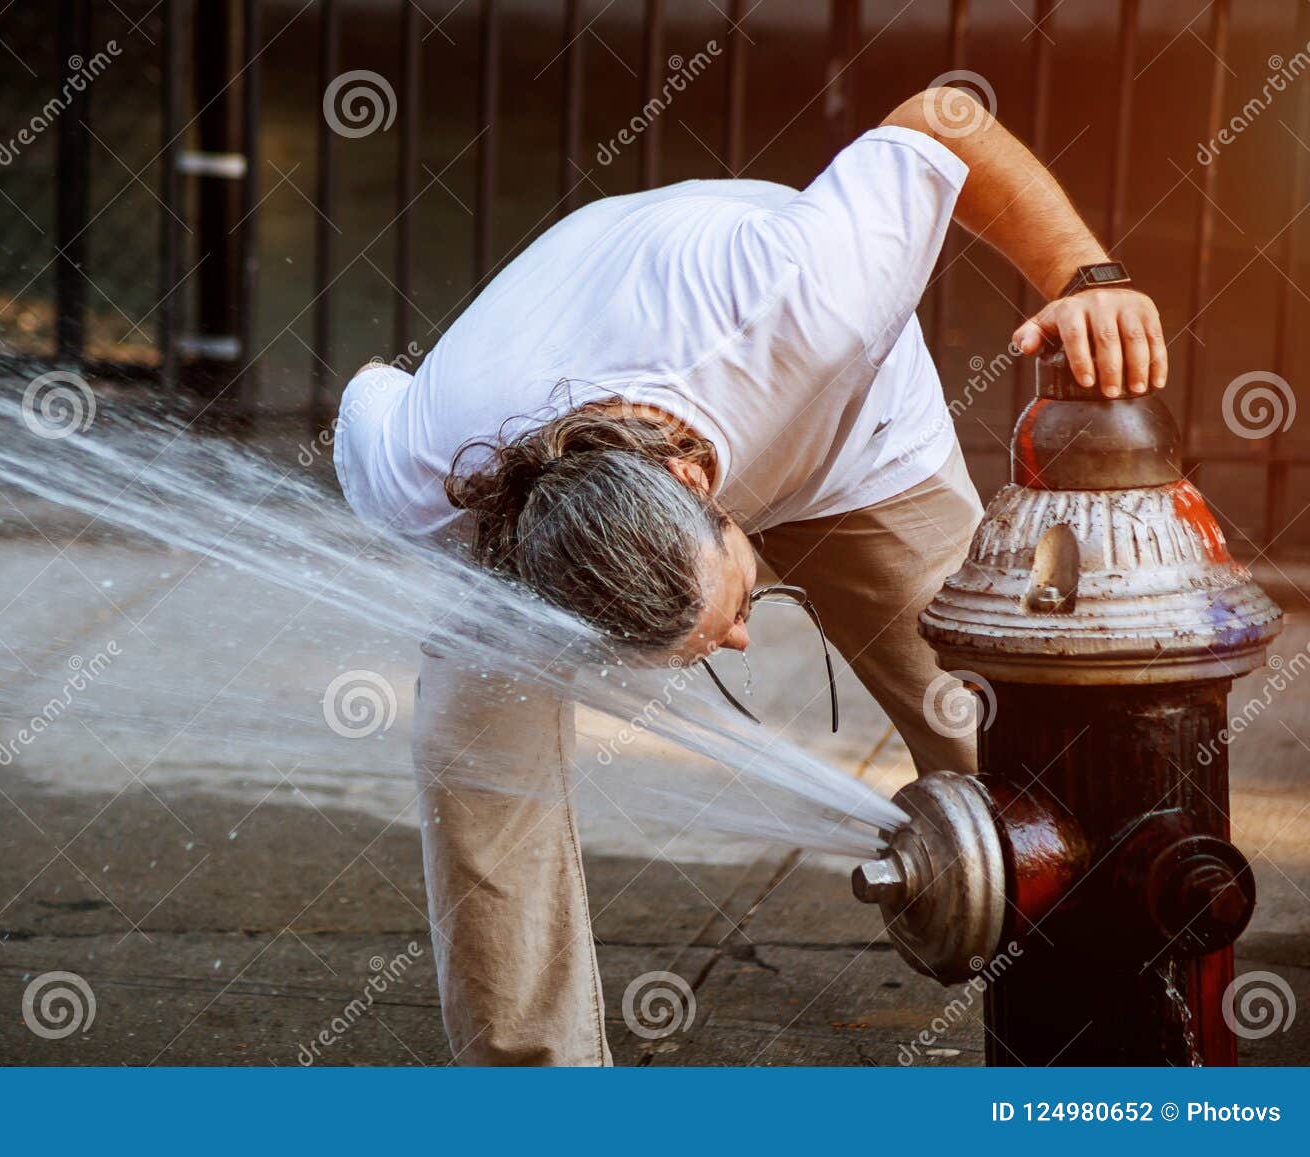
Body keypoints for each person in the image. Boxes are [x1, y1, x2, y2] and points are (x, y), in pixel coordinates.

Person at [333, 86, 1168, 1065]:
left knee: (987, 718)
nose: (740, 639)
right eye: (704, 645)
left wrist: (1086, 275)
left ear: (697, 485)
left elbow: (944, 117)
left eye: (725, 612)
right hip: (575, 374)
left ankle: (1093, 1028)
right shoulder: (438, 483)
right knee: (472, 744)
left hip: (849, 435)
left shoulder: (809, 293)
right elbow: (368, 395)